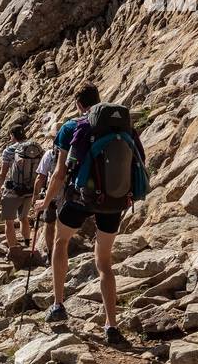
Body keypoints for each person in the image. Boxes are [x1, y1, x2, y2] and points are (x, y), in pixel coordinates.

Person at [34, 85, 144, 345]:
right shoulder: (122, 127)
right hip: (114, 201)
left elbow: (60, 173)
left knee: (61, 242)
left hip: (79, 199)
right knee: (104, 262)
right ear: (98, 101)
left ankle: (58, 304)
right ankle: (111, 325)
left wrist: (45, 202)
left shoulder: (71, 127)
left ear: (78, 104)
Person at [0, 125, 43, 251]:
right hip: (30, 190)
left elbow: (2, 174)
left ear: (12, 136)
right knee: (24, 218)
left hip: (13, 190)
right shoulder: (35, 148)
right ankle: (27, 244)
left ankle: (14, 251)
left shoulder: (9, 150)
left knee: (9, 222)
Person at [32, 122, 63, 264]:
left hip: (51, 194)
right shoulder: (74, 152)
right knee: (63, 225)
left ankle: (51, 254)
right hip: (69, 194)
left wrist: (35, 196)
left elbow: (40, 177)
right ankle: (62, 252)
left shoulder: (49, 154)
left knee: (49, 224)